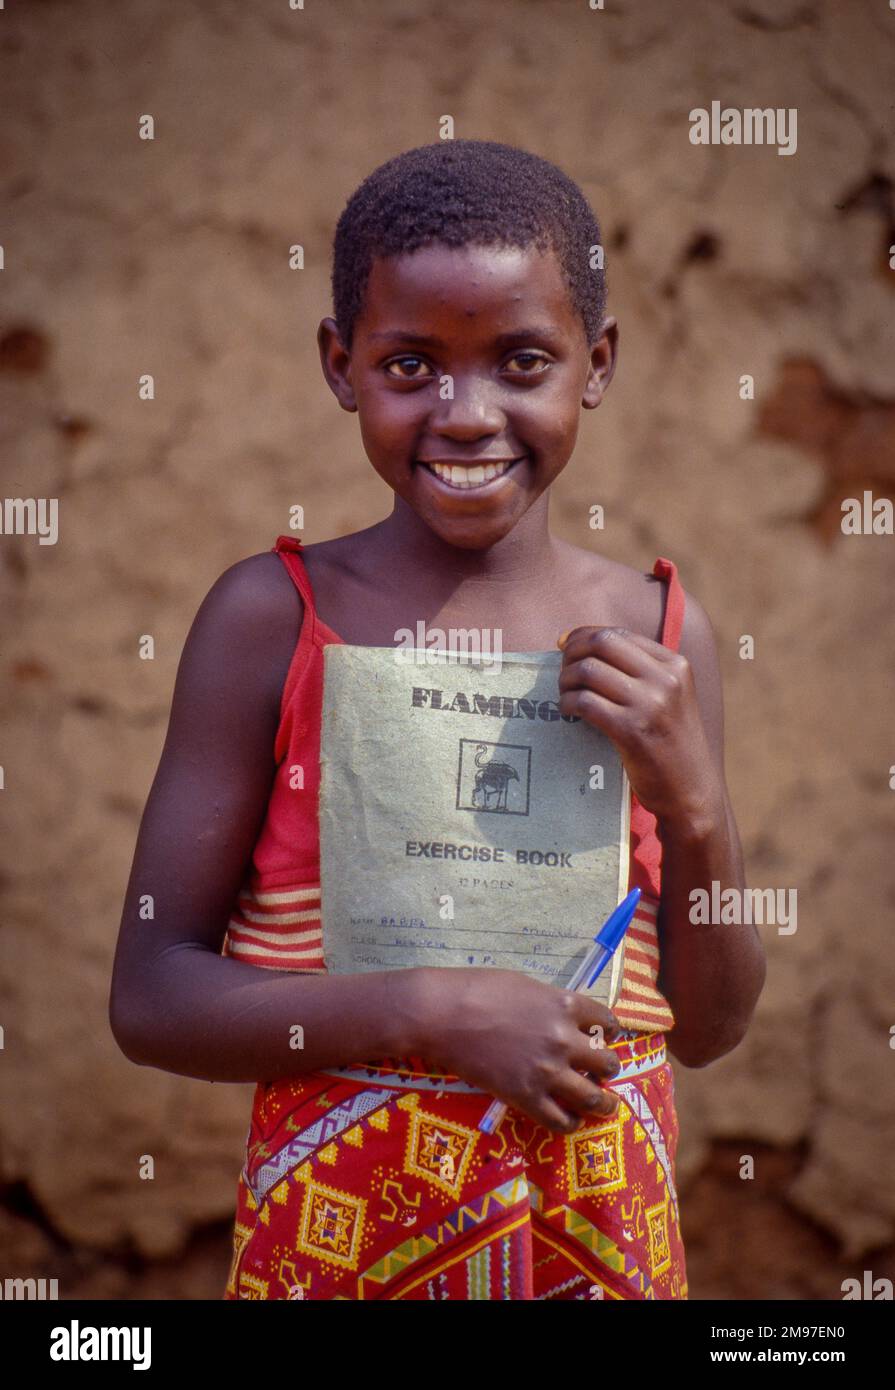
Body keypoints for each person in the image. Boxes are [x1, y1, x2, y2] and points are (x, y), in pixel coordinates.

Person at [109, 139, 765, 1301]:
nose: (467, 415)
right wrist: (431, 1010)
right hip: (341, 1236)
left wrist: (698, 808)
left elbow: (709, 1026)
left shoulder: (656, 631)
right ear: (340, 364)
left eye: (522, 361)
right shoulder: (274, 618)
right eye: (412, 363)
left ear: (595, 363)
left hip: (597, 1229)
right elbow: (153, 995)